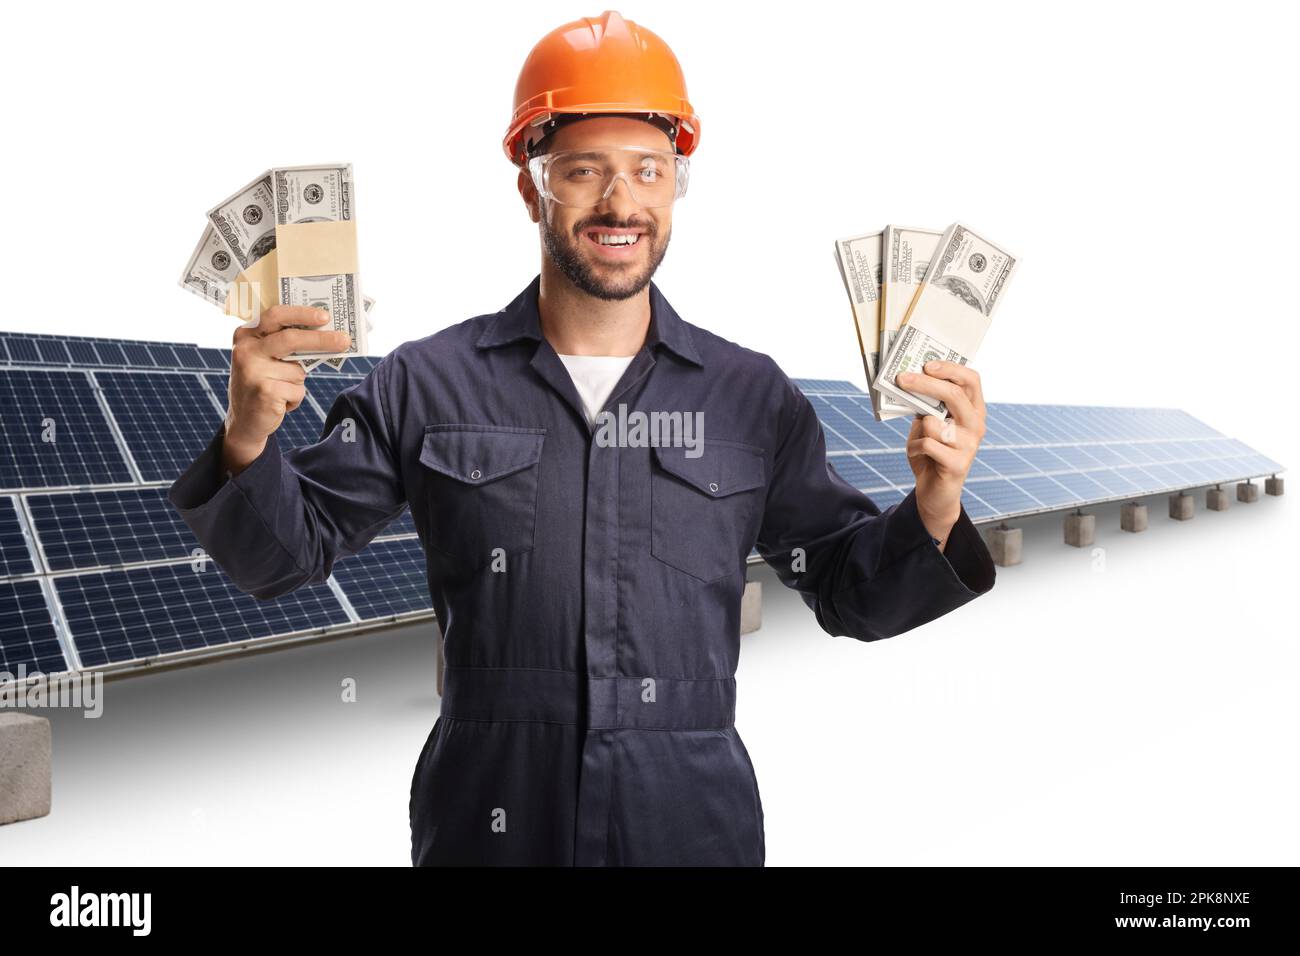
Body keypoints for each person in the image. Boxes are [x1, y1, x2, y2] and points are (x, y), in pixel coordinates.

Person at [169, 9, 996, 866]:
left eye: (648, 170)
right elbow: (280, 558)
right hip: (491, 826)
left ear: (676, 187)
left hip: (690, 830)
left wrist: (936, 503)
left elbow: (847, 593)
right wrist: (248, 440)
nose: (620, 202)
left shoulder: (751, 398)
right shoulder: (427, 383)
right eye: (583, 171)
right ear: (532, 187)